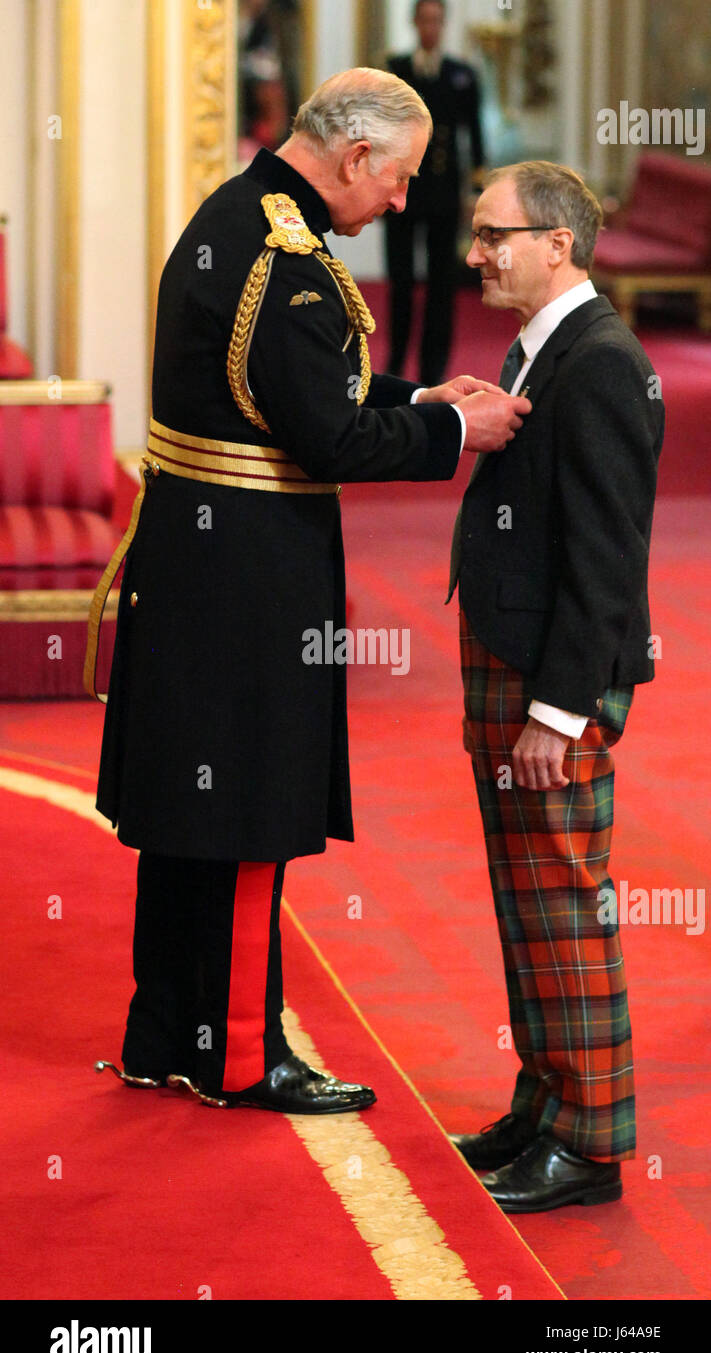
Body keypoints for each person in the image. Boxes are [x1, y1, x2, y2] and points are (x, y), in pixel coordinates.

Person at [87, 69, 531, 1116]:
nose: (402, 202)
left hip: (201, 561)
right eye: (402, 178)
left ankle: (165, 1034)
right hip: (248, 578)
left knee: (185, 813)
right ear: (356, 157)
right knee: (250, 809)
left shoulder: (241, 216)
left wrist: (416, 394)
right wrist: (457, 431)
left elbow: (296, 387)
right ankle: (240, 1054)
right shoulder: (285, 259)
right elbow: (325, 433)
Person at [448, 161, 663, 1211]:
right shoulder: (545, 349)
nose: (476, 253)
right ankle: (545, 1101)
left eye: (494, 236)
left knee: (567, 906)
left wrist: (556, 710)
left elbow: (609, 559)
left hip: (550, 686)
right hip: (514, 664)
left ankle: (589, 1144)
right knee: (526, 904)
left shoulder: (604, 364)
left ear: (558, 244)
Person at [385, 0, 484, 384]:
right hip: (402, 189)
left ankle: (433, 369)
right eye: (424, 20)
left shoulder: (462, 75)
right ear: (414, 23)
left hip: (443, 192)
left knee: (441, 285)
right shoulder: (397, 71)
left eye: (436, 21)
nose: (430, 27)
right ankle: (394, 363)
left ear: (443, 25)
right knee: (401, 281)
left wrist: (476, 188)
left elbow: (473, 134)